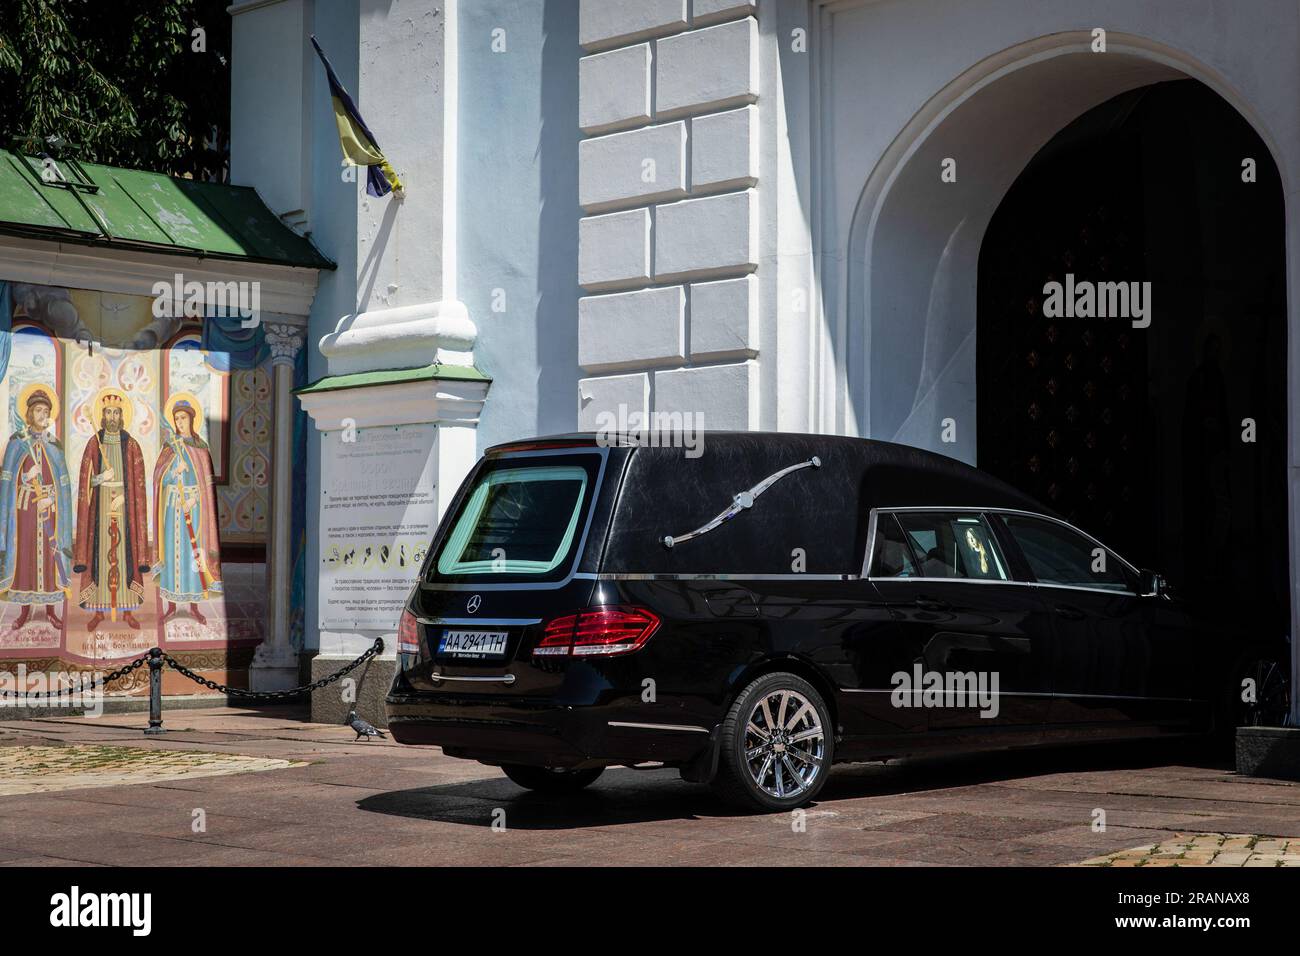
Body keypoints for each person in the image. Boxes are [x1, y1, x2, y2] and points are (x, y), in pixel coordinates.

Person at [72, 389, 149, 631]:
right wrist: (100, 478)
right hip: (101, 506)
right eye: (108, 413)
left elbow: (139, 482)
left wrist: (125, 497)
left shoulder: (132, 445)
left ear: (122, 415)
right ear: (102, 416)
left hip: (124, 510)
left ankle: (127, 611)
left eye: (116, 412)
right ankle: (98, 612)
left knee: (125, 555)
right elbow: (85, 480)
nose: (112, 417)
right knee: (101, 555)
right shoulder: (94, 443)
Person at [0, 387, 72, 628]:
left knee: (51, 556)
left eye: (46, 411)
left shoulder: (55, 444)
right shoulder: (17, 442)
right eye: (38, 410)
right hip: (25, 511)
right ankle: (24, 611)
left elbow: (64, 483)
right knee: (26, 555)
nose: (42, 414)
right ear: (29, 413)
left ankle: (51, 610)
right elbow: (7, 480)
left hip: (49, 508)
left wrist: (52, 499)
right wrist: (25, 475)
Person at [152, 398, 222, 624]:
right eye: (176, 419)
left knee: (194, 555)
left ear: (192, 419)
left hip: (194, 508)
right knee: (173, 555)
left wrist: (194, 501)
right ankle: (171, 607)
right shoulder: (170, 447)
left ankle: (194, 606)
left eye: (183, 418)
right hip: (173, 509)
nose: (180, 422)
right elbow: (159, 480)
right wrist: (174, 471)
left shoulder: (201, 449)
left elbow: (207, 486)